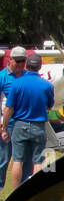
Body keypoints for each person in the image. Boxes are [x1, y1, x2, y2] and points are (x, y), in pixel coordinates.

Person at [1, 50, 55, 190]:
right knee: (37, 161)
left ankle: (15, 191)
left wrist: (4, 127)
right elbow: (50, 106)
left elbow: (9, 108)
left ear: (27, 65)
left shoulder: (17, 84)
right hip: (38, 126)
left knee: (17, 160)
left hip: (20, 125)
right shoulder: (47, 85)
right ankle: (34, 190)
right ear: (39, 67)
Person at [0, 46, 25, 179]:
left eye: (23, 61)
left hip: (24, 124)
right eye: (18, 61)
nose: (21, 64)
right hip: (7, 124)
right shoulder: (2, 77)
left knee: (23, 160)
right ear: (10, 60)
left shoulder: (27, 75)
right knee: (3, 159)